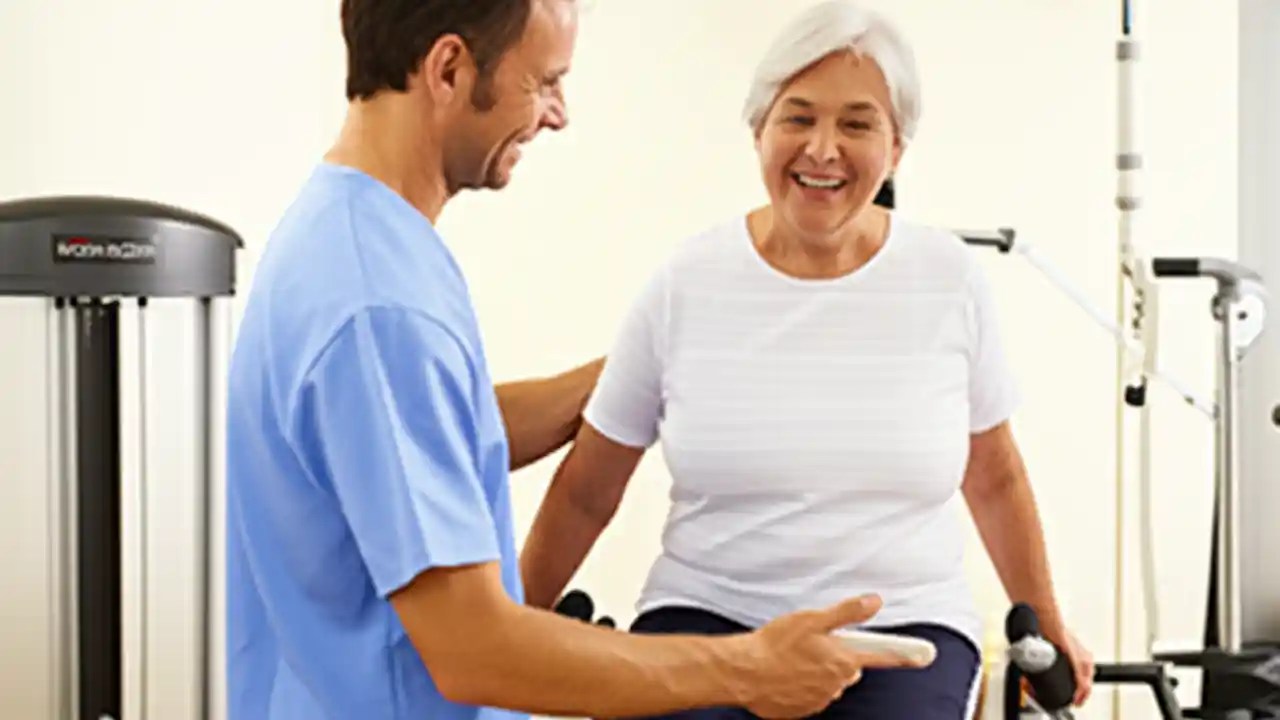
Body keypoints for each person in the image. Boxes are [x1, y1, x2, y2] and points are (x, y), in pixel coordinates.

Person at [224, 1, 924, 718]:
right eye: (545, 82)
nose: (558, 114)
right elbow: (475, 651)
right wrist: (749, 668)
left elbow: (418, 440)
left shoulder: (345, 234)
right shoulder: (381, 307)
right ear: (449, 69)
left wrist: (637, 367)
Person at [518, 2, 1095, 719]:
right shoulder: (685, 282)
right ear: (760, 130)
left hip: (901, 627)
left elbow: (995, 474)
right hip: (707, 619)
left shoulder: (950, 279)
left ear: (897, 148)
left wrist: (1044, 618)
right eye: (798, 118)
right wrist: (512, 632)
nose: (823, 149)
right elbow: (586, 492)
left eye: (857, 124)